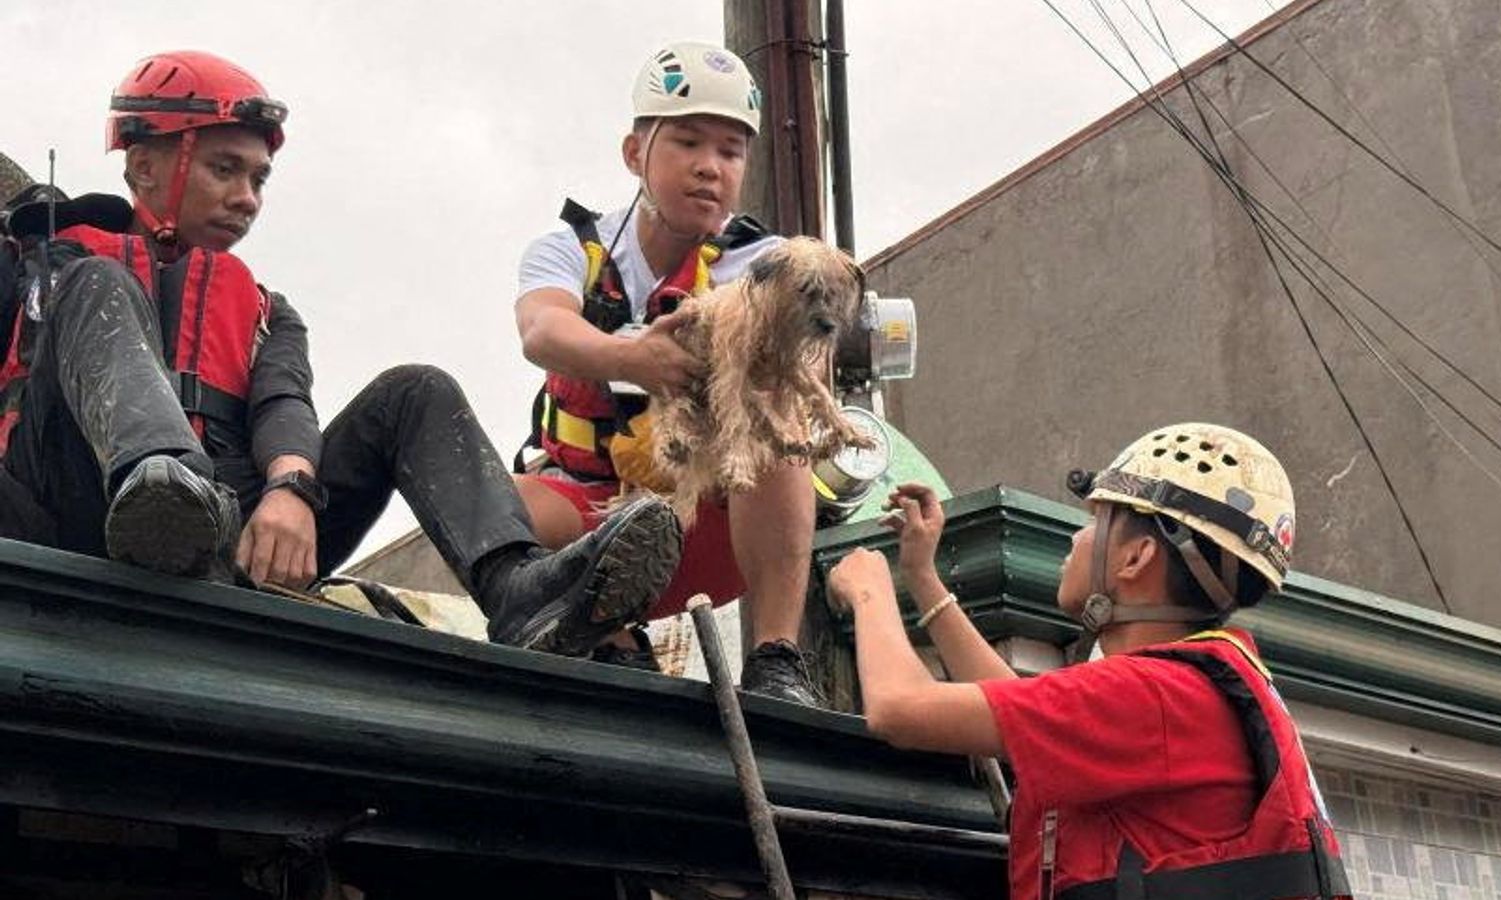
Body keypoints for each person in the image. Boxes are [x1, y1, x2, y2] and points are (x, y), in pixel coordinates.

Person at [0, 50, 683, 658]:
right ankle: (157, 483)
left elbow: (283, 402)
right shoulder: (54, 264)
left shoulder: (268, 312)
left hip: (233, 536)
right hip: (74, 513)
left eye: (259, 180)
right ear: (143, 165)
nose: (246, 199)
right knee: (97, 283)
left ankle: (520, 590)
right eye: (224, 170)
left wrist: (292, 488)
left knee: (415, 389)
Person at [827, 424, 1351, 899]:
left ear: (1136, 557)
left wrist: (869, 589)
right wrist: (923, 577)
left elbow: (898, 709)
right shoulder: (1192, 687)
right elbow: (1016, 711)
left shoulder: (1155, 695)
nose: (1076, 538)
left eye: (1095, 521)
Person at [513, 41, 825, 705]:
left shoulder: (761, 261)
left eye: (730, 152)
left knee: (774, 407)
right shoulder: (571, 248)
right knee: (489, 502)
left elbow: (792, 336)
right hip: (585, 517)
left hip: (702, 523)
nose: (709, 168)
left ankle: (776, 658)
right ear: (636, 154)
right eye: (687, 143)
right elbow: (542, 330)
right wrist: (634, 358)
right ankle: (605, 633)